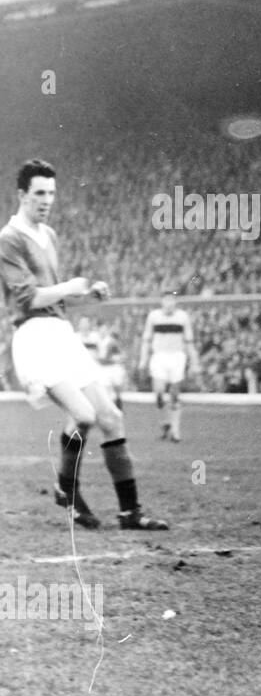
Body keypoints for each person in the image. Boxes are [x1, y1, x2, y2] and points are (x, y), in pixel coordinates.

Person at [0, 159, 168, 531]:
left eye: (52, 193)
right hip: (33, 338)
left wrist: (88, 295)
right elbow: (28, 299)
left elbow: (55, 299)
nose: (47, 200)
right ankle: (67, 488)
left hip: (60, 332)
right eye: (39, 193)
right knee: (84, 415)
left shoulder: (50, 236)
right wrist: (70, 286)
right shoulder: (8, 238)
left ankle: (130, 513)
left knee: (111, 416)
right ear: (22, 195)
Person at [139, 292, 198, 442]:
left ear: (175, 302)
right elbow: (146, 340)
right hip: (159, 356)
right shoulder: (153, 316)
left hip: (177, 356)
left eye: (172, 300)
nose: (169, 303)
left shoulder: (182, 317)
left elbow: (189, 342)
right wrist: (143, 359)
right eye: (166, 300)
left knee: (174, 394)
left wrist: (194, 362)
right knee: (159, 393)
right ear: (162, 302)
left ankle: (175, 431)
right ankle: (164, 422)